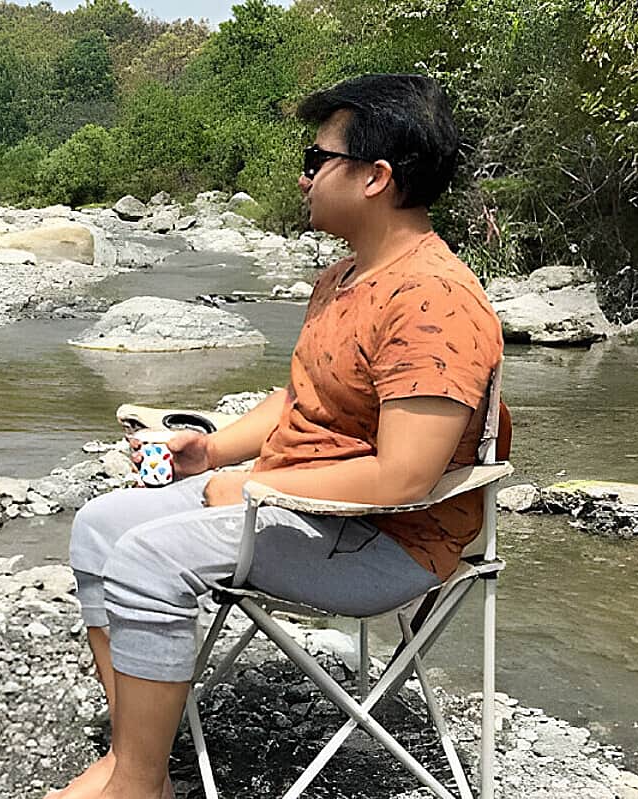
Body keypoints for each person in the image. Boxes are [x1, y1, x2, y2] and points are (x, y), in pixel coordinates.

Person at [56, 74, 504, 799]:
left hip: (387, 540)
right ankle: (136, 754)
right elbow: (302, 395)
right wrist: (213, 449)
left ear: (375, 178)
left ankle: (137, 783)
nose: (302, 176)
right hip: (301, 507)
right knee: (100, 526)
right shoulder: (343, 278)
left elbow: (404, 478)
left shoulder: (433, 299)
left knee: (146, 558)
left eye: (315, 157)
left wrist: (258, 485)